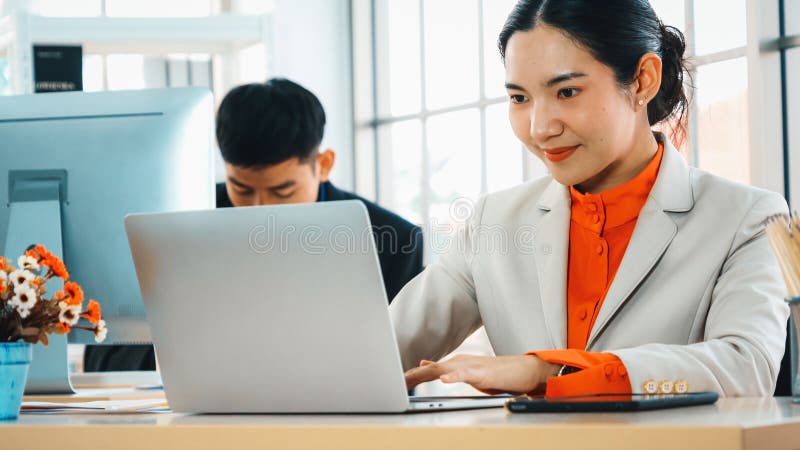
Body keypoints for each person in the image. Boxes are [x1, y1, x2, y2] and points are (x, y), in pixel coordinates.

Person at [394, 0, 790, 398]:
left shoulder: (747, 219)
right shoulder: (493, 222)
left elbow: (746, 369)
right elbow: (381, 351)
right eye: (519, 98)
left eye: (566, 91)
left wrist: (549, 371)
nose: (540, 128)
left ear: (642, 80)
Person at [84, 78, 423, 372]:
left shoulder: (392, 242)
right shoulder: (180, 227)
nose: (259, 209)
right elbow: (106, 354)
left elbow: (403, 372)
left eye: (282, 190)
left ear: (323, 165)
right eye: (242, 189)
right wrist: (182, 352)